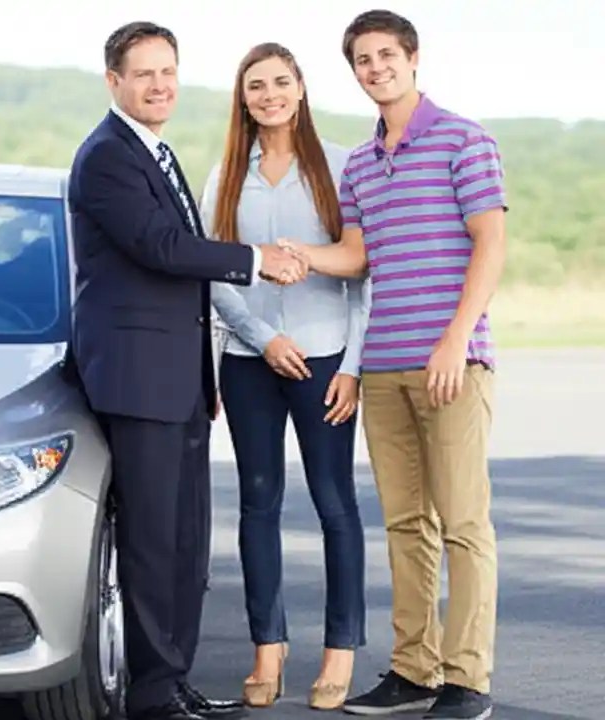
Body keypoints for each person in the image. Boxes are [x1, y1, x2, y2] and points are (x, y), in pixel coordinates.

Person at [67, 20, 306, 720]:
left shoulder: (157, 152)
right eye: (144, 73)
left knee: (182, 542)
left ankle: (172, 682)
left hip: (176, 383)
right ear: (114, 81)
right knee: (149, 544)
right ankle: (151, 693)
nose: (160, 84)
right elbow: (163, 246)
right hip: (138, 384)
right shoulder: (106, 156)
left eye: (168, 70)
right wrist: (257, 259)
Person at [279, 10, 506, 720]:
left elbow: (490, 246)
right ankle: (416, 672)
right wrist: (301, 257)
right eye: (363, 61)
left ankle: (468, 680)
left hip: (451, 364)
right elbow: (356, 255)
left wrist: (455, 338)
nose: (375, 68)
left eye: (386, 56)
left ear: (412, 58)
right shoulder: (360, 163)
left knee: (464, 523)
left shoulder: (464, 140)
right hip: (381, 368)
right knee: (407, 524)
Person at [197, 42, 370, 712]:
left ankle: (339, 651)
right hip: (250, 361)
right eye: (255, 86)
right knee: (257, 503)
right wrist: (263, 339)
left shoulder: (343, 164)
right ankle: (268, 649)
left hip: (327, 361)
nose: (268, 95)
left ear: (300, 88)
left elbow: (363, 273)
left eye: (279, 82)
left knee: (334, 503)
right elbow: (214, 269)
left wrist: (352, 366)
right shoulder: (226, 175)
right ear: (243, 99)